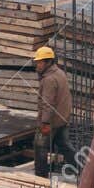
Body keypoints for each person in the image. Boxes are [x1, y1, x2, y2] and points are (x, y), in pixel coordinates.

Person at [33, 45, 72, 178]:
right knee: (65, 146)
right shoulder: (59, 73)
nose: (37, 65)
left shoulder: (49, 79)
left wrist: (45, 123)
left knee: (40, 146)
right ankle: (83, 169)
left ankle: (41, 176)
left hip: (51, 121)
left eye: (40, 62)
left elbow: (47, 104)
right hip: (62, 119)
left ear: (48, 62)